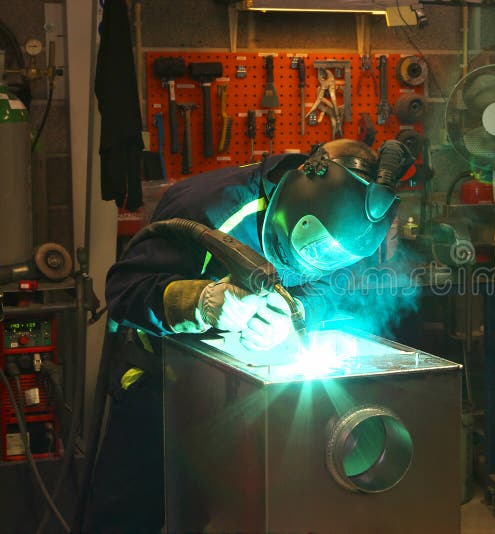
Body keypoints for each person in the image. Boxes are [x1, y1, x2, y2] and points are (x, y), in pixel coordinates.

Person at [81, 138, 414, 532]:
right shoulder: (209, 207)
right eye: (315, 248)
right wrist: (200, 301)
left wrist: (297, 312)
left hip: (244, 401)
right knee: (131, 513)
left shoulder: (339, 227)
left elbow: (335, 278)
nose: (317, 261)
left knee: (235, 513)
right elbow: (123, 291)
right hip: (163, 386)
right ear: (300, 197)